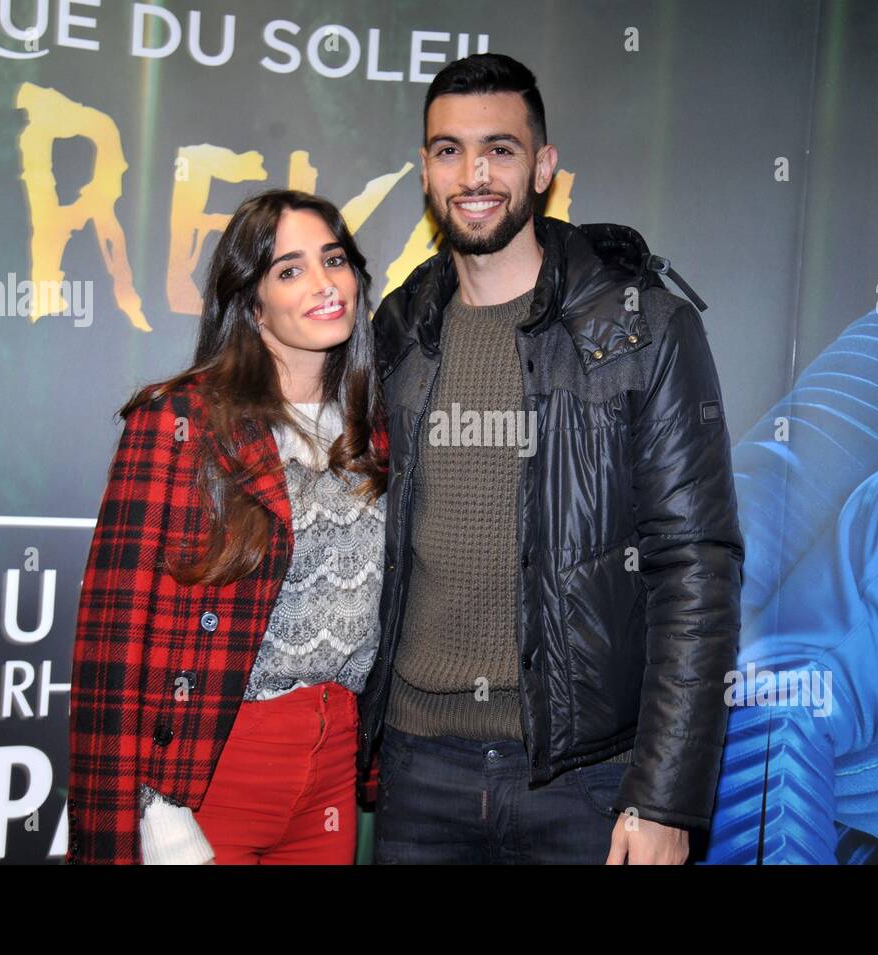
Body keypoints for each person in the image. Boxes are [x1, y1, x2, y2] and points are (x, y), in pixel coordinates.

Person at [359, 53, 744, 864]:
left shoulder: (644, 328)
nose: (474, 173)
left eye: (499, 149)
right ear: (425, 169)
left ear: (542, 166)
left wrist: (664, 796)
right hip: (417, 768)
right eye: (449, 150)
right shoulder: (398, 330)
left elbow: (696, 566)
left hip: (585, 783)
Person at [66, 189, 388, 864]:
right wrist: (153, 807)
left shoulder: (379, 429)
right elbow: (115, 633)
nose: (325, 283)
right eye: (290, 269)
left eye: (334, 260)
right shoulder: (182, 422)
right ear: (252, 302)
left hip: (332, 761)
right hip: (213, 766)